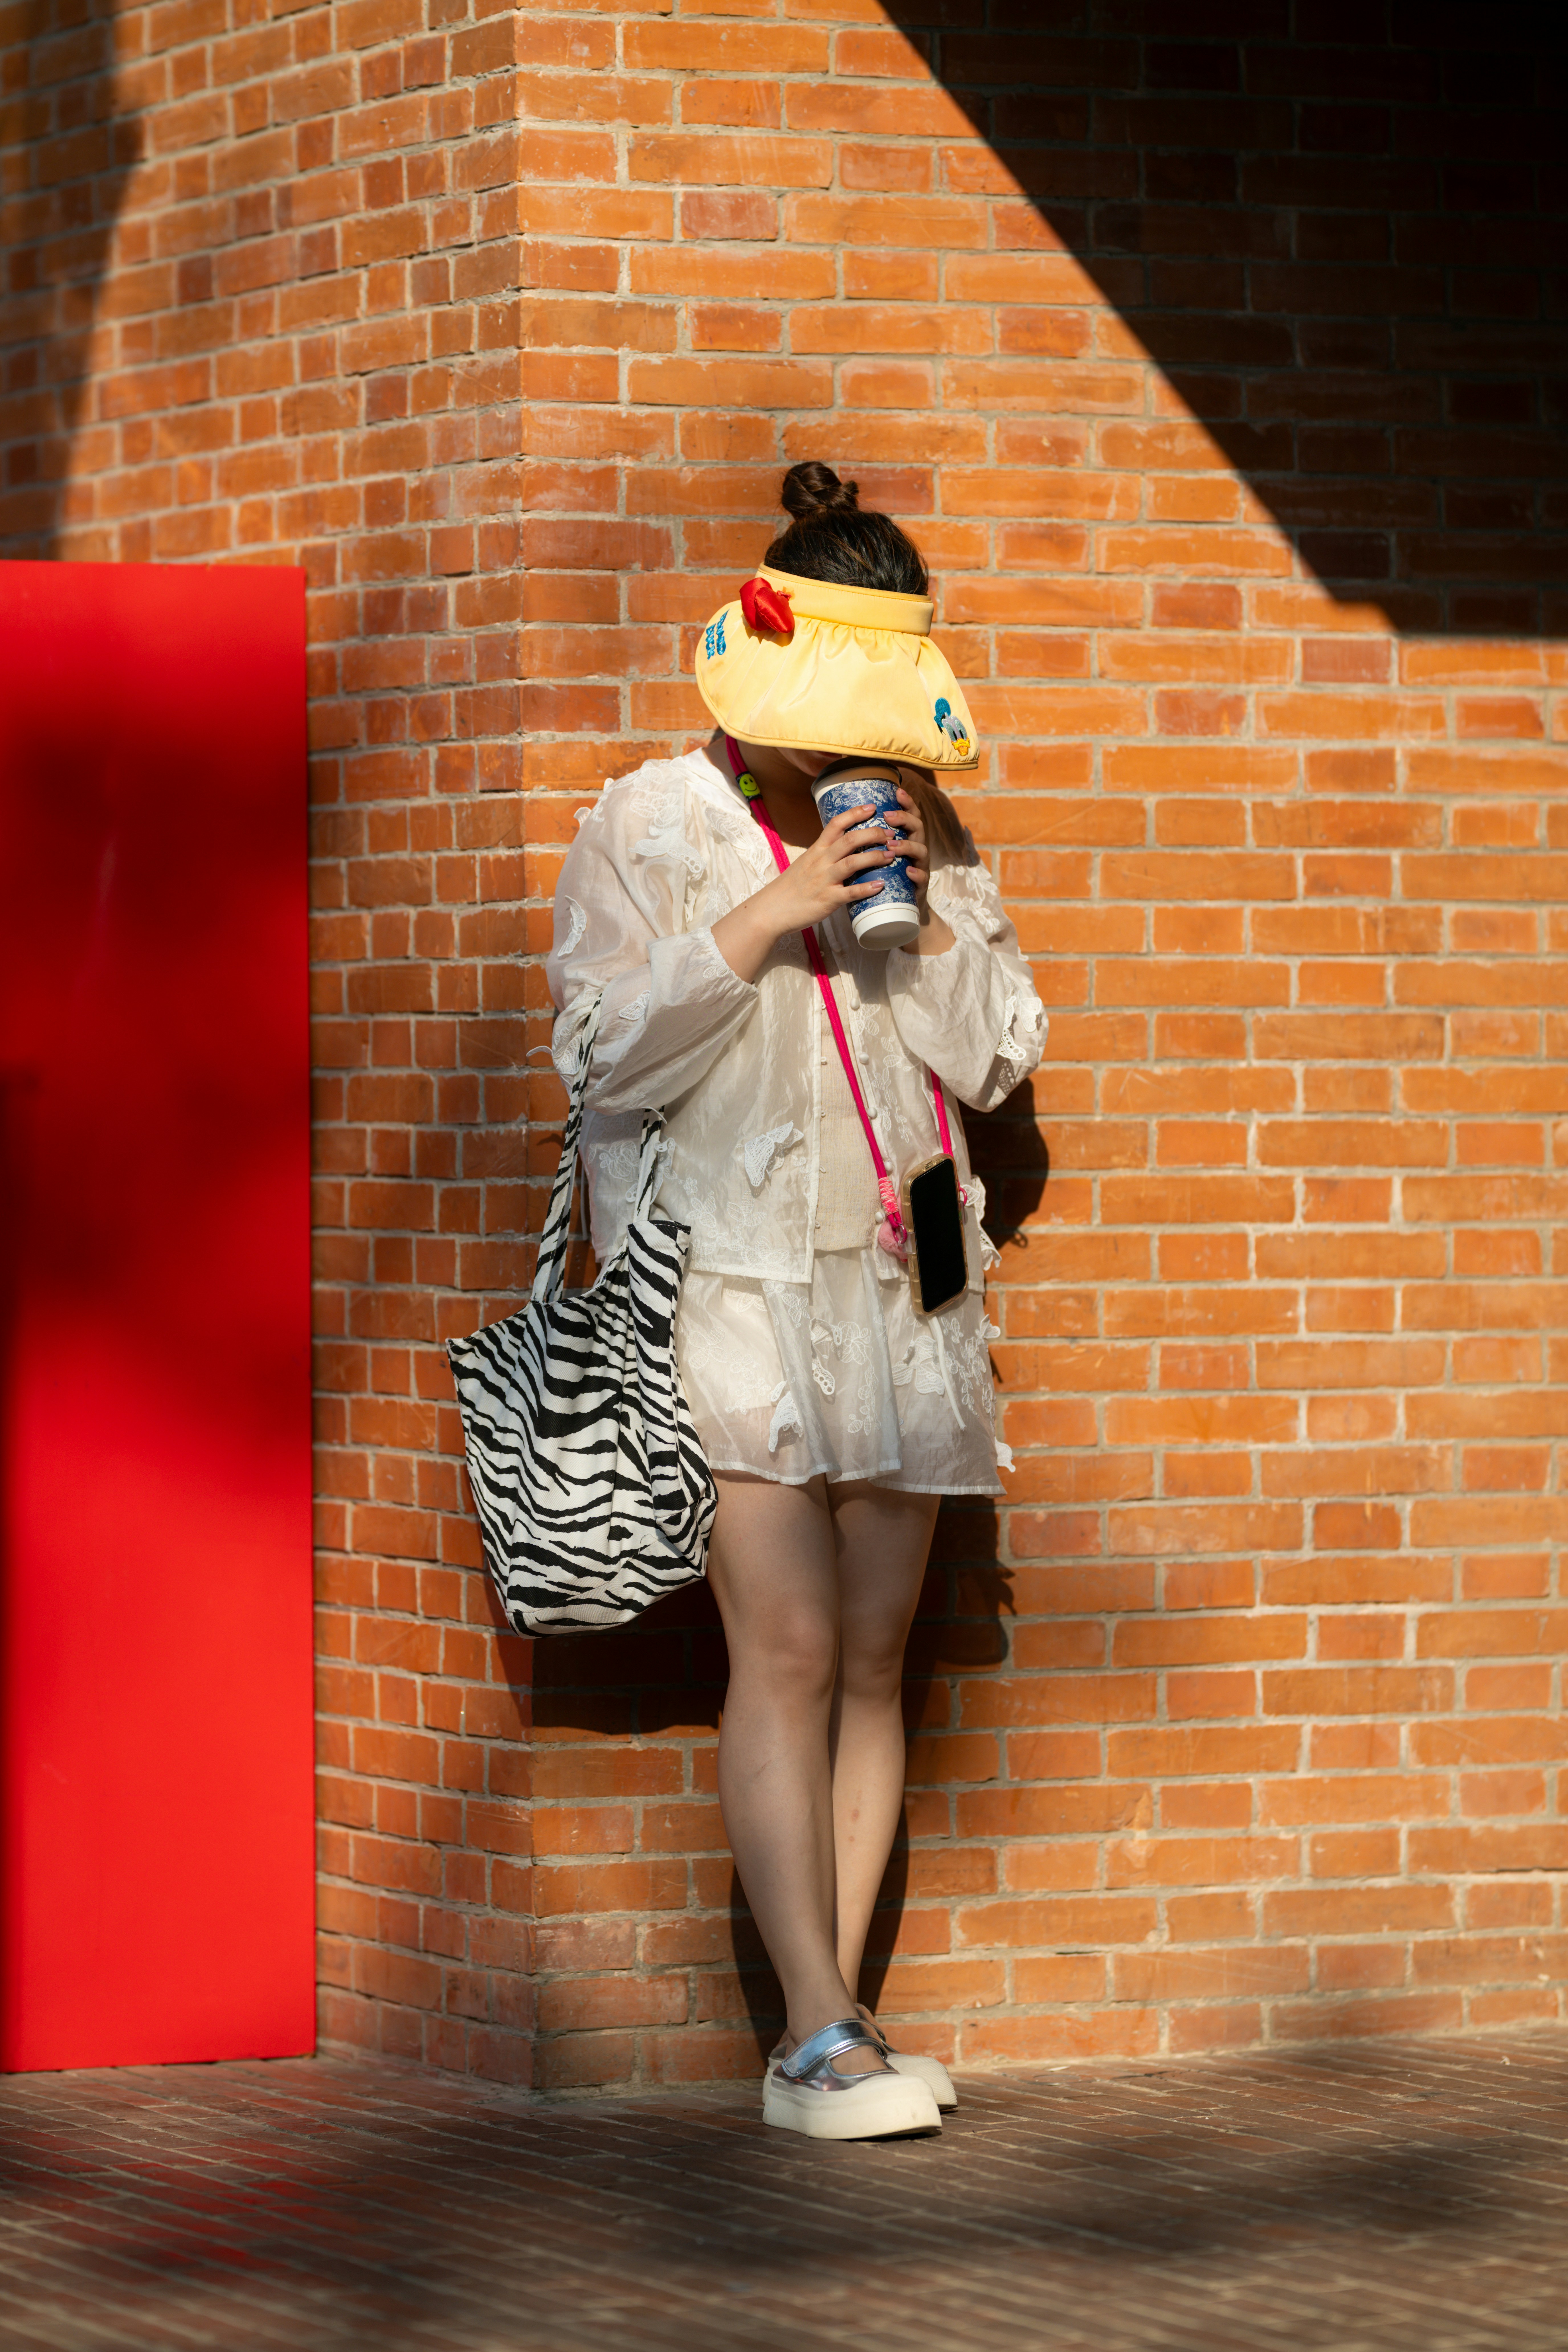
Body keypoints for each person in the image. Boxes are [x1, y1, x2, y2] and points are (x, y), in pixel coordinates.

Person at [545, 462, 1047, 2139]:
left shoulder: (927, 818)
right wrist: (775, 907)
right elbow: (602, 1052)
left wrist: (914, 924)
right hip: (736, 1276)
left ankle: (841, 2024)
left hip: (908, 1272)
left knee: (881, 1653)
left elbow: (989, 1062)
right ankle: (815, 2031)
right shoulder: (655, 819)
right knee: (791, 1638)